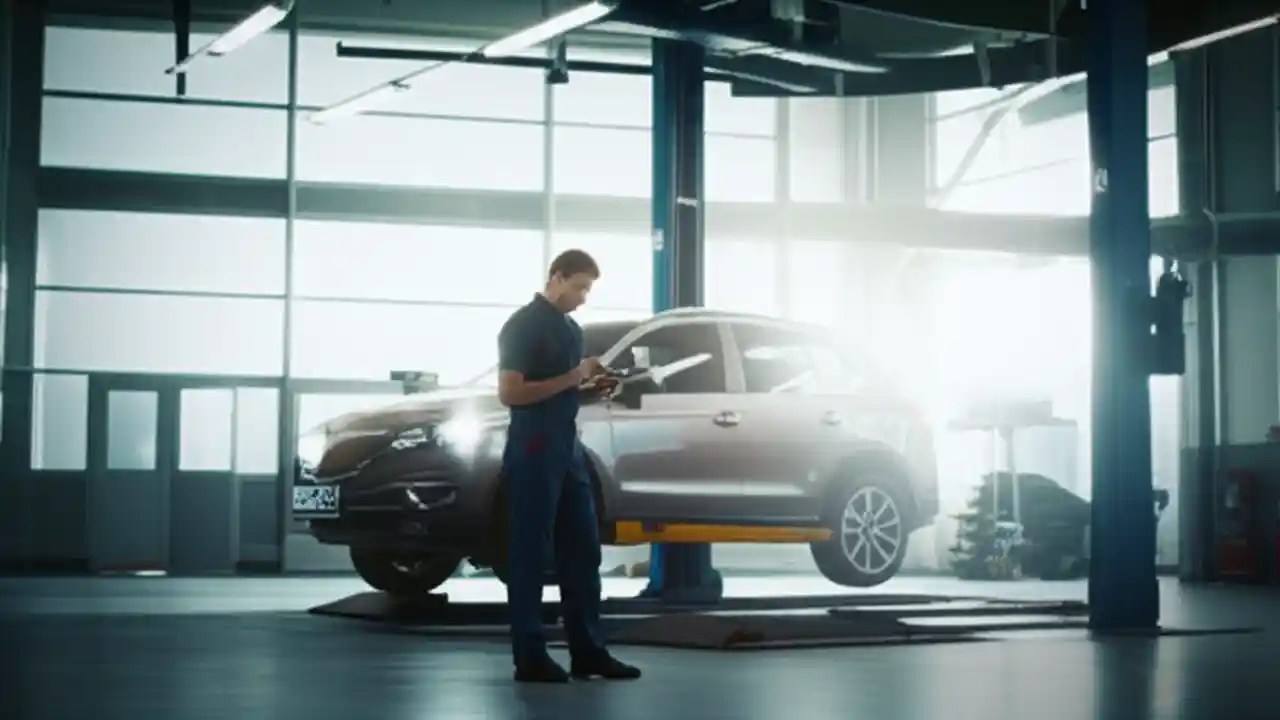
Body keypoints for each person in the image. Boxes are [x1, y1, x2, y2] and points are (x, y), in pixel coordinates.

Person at [496, 249, 642, 683]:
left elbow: (564, 391)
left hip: (568, 448)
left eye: (587, 289)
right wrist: (575, 376)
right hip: (533, 447)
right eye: (578, 287)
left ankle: (588, 651)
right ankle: (530, 656)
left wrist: (596, 387)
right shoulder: (521, 326)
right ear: (556, 278)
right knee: (529, 553)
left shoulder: (571, 330)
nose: (582, 297)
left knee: (584, 551)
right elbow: (512, 393)